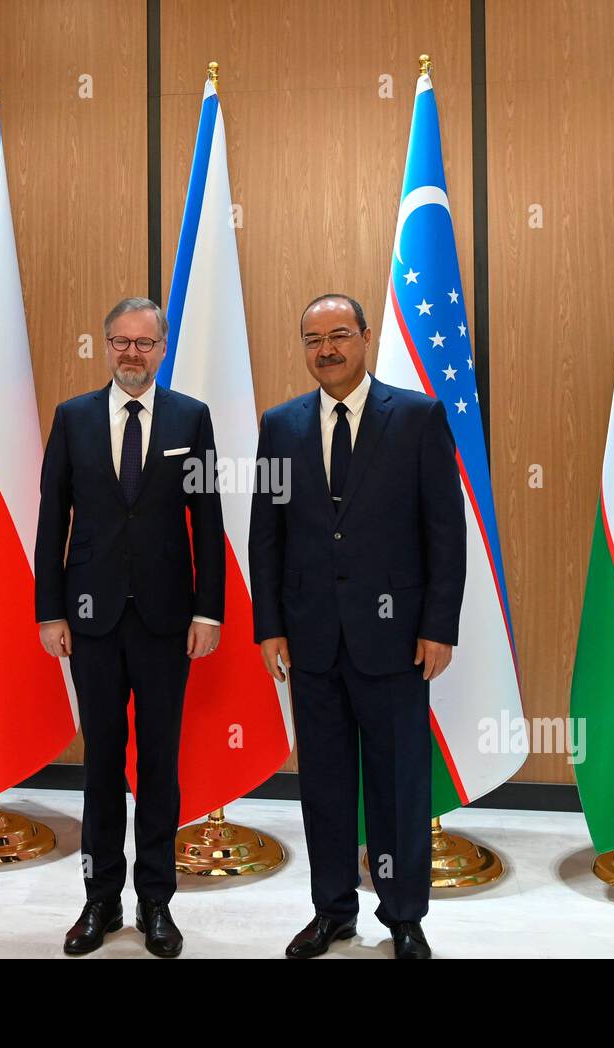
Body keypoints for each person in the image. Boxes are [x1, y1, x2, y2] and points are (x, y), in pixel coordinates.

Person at [249, 293, 466, 959]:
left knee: (399, 785)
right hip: (311, 639)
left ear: (365, 337)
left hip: (396, 640)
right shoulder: (280, 426)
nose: (327, 350)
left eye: (339, 335)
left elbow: (445, 533)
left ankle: (404, 916)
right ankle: (333, 911)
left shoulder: (419, 418)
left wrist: (439, 626)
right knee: (325, 784)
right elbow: (268, 535)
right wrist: (269, 627)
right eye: (313, 339)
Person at [35, 296, 224, 958]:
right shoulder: (73, 418)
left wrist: (209, 610)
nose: (132, 354)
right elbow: (51, 518)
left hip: (168, 621)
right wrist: (49, 610)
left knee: (161, 766)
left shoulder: (190, 419)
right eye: (121, 342)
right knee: (102, 767)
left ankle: (157, 902)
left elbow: (207, 520)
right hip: (90, 620)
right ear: (105, 345)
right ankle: (99, 901)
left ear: (162, 348)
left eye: (144, 343)